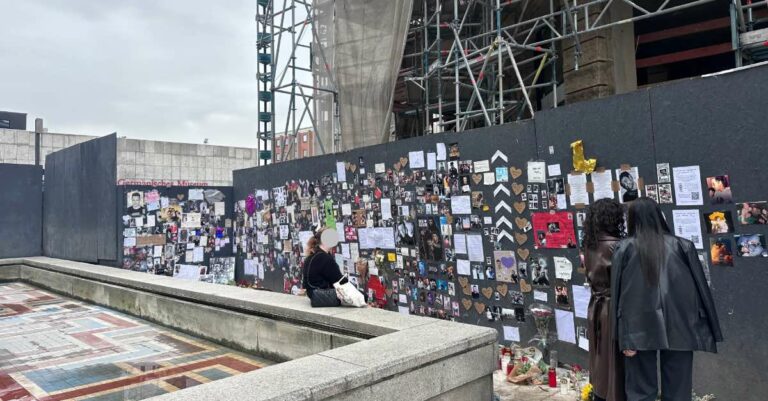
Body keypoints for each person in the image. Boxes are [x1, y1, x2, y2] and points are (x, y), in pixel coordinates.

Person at [611, 198, 723, 401]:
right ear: (658, 215)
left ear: (632, 218)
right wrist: (706, 327)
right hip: (681, 323)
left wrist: (621, 335)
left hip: (637, 328)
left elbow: (617, 294)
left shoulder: (624, 248)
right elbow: (701, 289)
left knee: (640, 390)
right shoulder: (683, 246)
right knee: (679, 389)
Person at [582, 199, 626, 401]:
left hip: (596, 308)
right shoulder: (617, 246)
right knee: (613, 361)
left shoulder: (590, 244)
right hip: (612, 307)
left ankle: (598, 394)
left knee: (599, 358)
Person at [302, 228, 343, 306]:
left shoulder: (312, 256)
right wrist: (363, 296)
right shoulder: (325, 258)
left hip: (313, 295)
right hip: (323, 295)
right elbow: (339, 281)